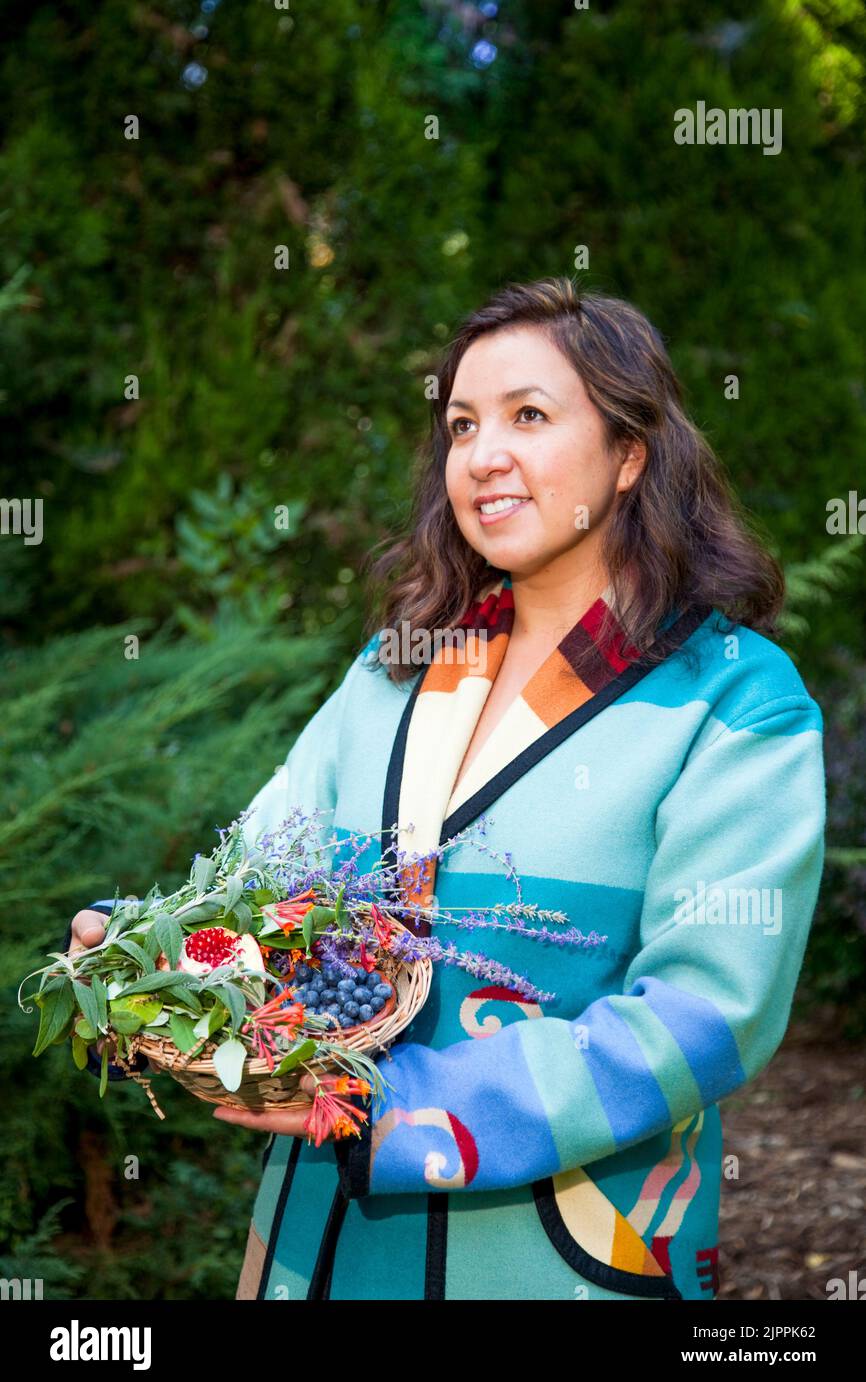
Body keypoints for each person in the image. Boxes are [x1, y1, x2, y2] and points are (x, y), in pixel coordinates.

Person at [67, 277, 825, 1301]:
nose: (482, 455)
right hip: (312, 1245)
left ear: (628, 452)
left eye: (528, 416)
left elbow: (707, 1012)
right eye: (462, 423)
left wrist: (404, 1105)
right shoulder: (394, 668)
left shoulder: (734, 702)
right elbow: (250, 885)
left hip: (549, 1259)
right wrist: (145, 952)